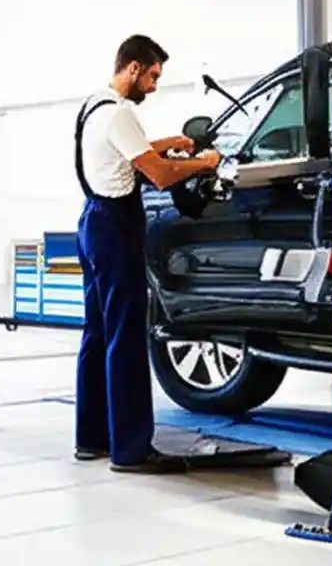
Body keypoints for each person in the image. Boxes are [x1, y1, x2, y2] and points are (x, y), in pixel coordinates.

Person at [73, 34, 221, 472]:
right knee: (127, 336)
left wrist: (168, 141)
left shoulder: (93, 106)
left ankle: (93, 438)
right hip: (117, 227)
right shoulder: (120, 113)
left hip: (92, 222)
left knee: (97, 333)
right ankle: (132, 449)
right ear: (133, 68)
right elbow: (157, 176)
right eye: (153, 76)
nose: (154, 86)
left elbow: (127, 153)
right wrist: (204, 163)